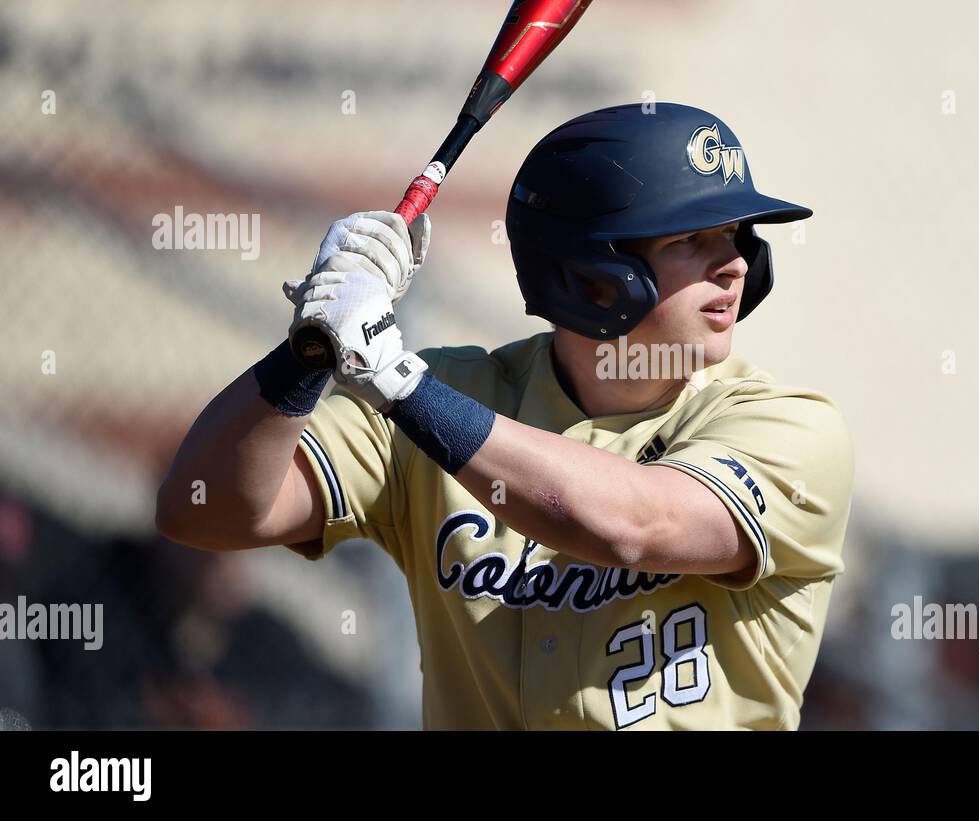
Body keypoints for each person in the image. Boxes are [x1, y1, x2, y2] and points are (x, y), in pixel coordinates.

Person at [157, 103, 853, 730]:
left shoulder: (791, 429)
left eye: (734, 236)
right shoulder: (457, 392)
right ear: (590, 277)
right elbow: (204, 509)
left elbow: (629, 524)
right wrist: (310, 348)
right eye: (689, 241)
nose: (734, 264)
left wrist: (396, 380)